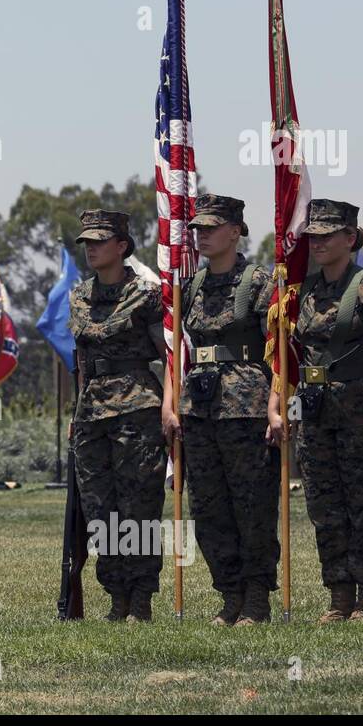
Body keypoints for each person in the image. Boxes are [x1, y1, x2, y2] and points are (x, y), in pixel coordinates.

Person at [267, 199, 363, 623]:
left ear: (350, 238)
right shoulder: (302, 292)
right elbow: (291, 355)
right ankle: (339, 595)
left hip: (360, 407)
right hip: (313, 411)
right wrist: (281, 406)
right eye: (314, 236)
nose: (319, 243)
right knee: (325, 508)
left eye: (328, 235)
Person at [161, 195, 279, 625]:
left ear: (235, 231)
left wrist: (275, 404)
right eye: (198, 228)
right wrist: (170, 401)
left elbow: (281, 353)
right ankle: (229, 594)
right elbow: (179, 351)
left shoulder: (261, 284)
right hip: (200, 408)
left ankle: (256, 597)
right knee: (208, 507)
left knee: (252, 505)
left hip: (245, 408)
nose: (202, 234)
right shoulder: (189, 287)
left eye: (212, 227)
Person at [69, 210, 167, 622]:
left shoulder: (146, 295)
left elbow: (167, 353)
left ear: (122, 246)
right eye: (86, 242)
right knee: (100, 509)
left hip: (136, 406)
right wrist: (76, 411)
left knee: (138, 505)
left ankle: (140, 598)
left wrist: (169, 406)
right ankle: (115, 595)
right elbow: (80, 358)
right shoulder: (79, 295)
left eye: (99, 241)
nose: (91, 248)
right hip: (91, 411)